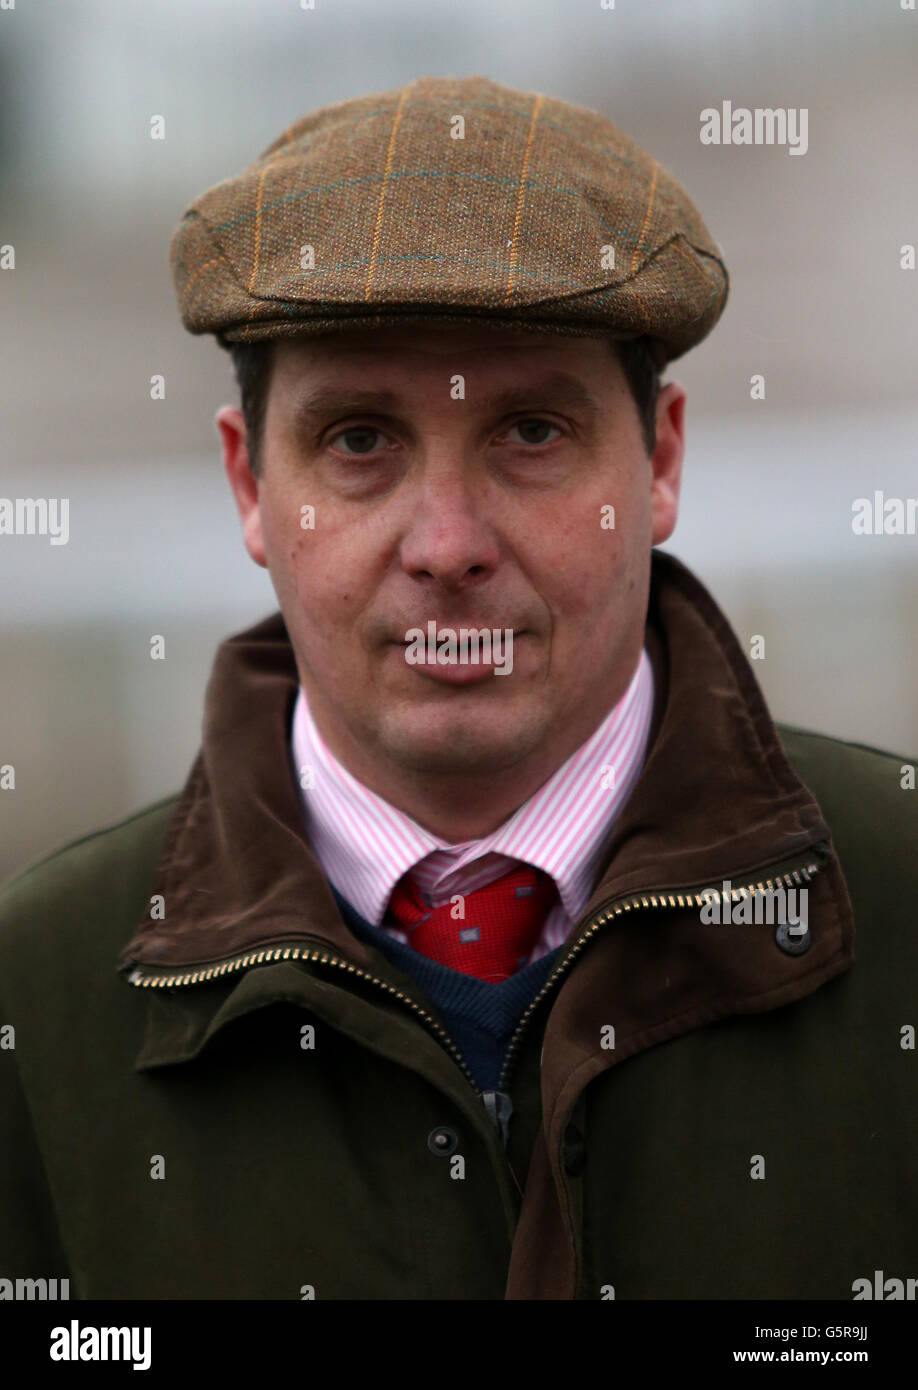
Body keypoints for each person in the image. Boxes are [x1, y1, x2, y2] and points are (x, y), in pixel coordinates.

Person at [1, 74, 915, 1302]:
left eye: (530, 432)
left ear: (660, 461)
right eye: (361, 441)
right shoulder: (37, 1005)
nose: (446, 542)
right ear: (246, 487)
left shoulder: (902, 903)